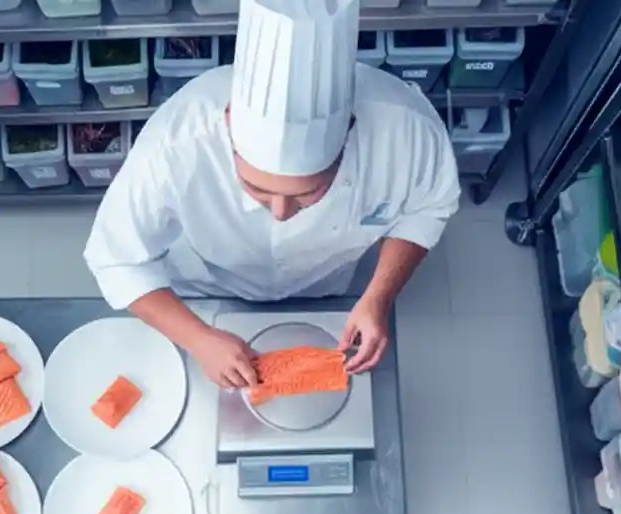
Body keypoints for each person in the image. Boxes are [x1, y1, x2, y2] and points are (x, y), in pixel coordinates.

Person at [84, 0, 460, 388]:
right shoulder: (174, 144)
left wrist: (378, 296)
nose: (280, 213)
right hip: (209, 286)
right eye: (258, 190)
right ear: (228, 124)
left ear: (349, 131)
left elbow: (428, 207)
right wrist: (198, 339)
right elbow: (117, 260)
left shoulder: (407, 130)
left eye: (308, 194)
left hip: (323, 286)